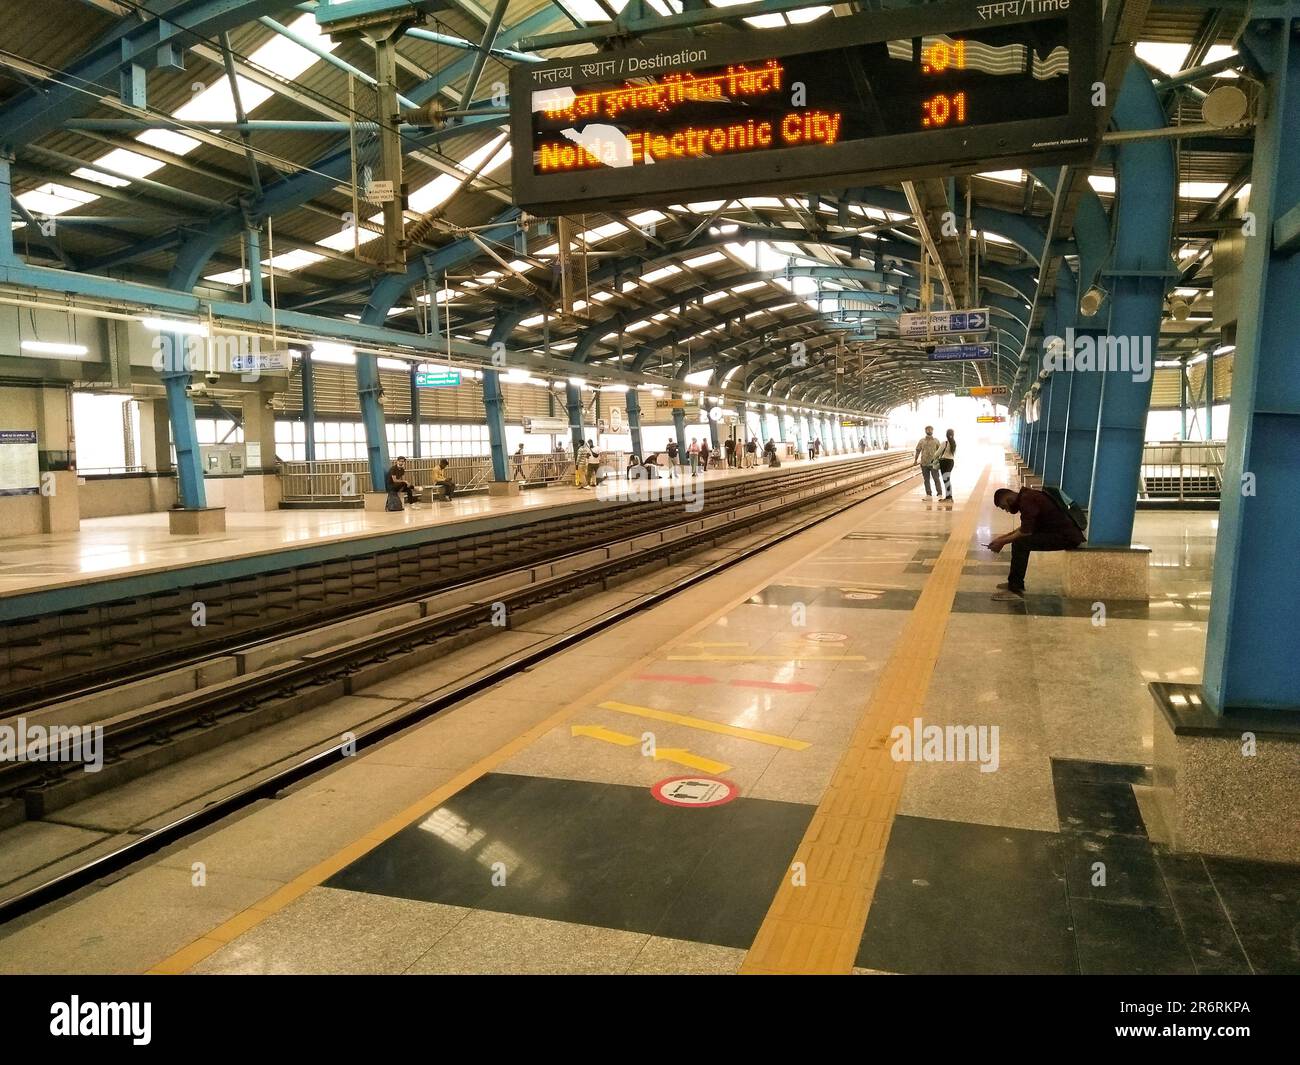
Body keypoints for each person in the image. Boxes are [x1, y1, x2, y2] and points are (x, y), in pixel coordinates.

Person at [987, 486, 1085, 600]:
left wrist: (1002, 542)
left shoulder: (1027, 500)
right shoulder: (1028, 496)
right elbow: (1026, 527)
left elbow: (1025, 532)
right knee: (1019, 541)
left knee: (1020, 543)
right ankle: (1014, 583)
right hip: (1062, 534)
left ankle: (1015, 589)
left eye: (1005, 507)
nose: (1007, 511)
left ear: (1009, 499)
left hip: (1066, 537)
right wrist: (1002, 538)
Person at [913, 426, 943, 497]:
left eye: (930, 429)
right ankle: (928, 494)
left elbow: (940, 451)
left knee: (936, 478)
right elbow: (918, 451)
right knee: (926, 479)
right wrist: (915, 460)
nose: (929, 430)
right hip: (924, 463)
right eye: (927, 429)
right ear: (925, 431)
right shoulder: (921, 441)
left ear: (933, 431)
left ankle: (939, 493)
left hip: (934, 463)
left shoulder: (936, 440)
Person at [935, 429, 956, 500]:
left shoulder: (945, 443)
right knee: (947, 479)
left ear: (946, 435)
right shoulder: (954, 443)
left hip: (944, 462)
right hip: (951, 462)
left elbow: (937, 453)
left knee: (946, 479)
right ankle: (949, 497)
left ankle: (949, 497)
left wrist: (933, 457)